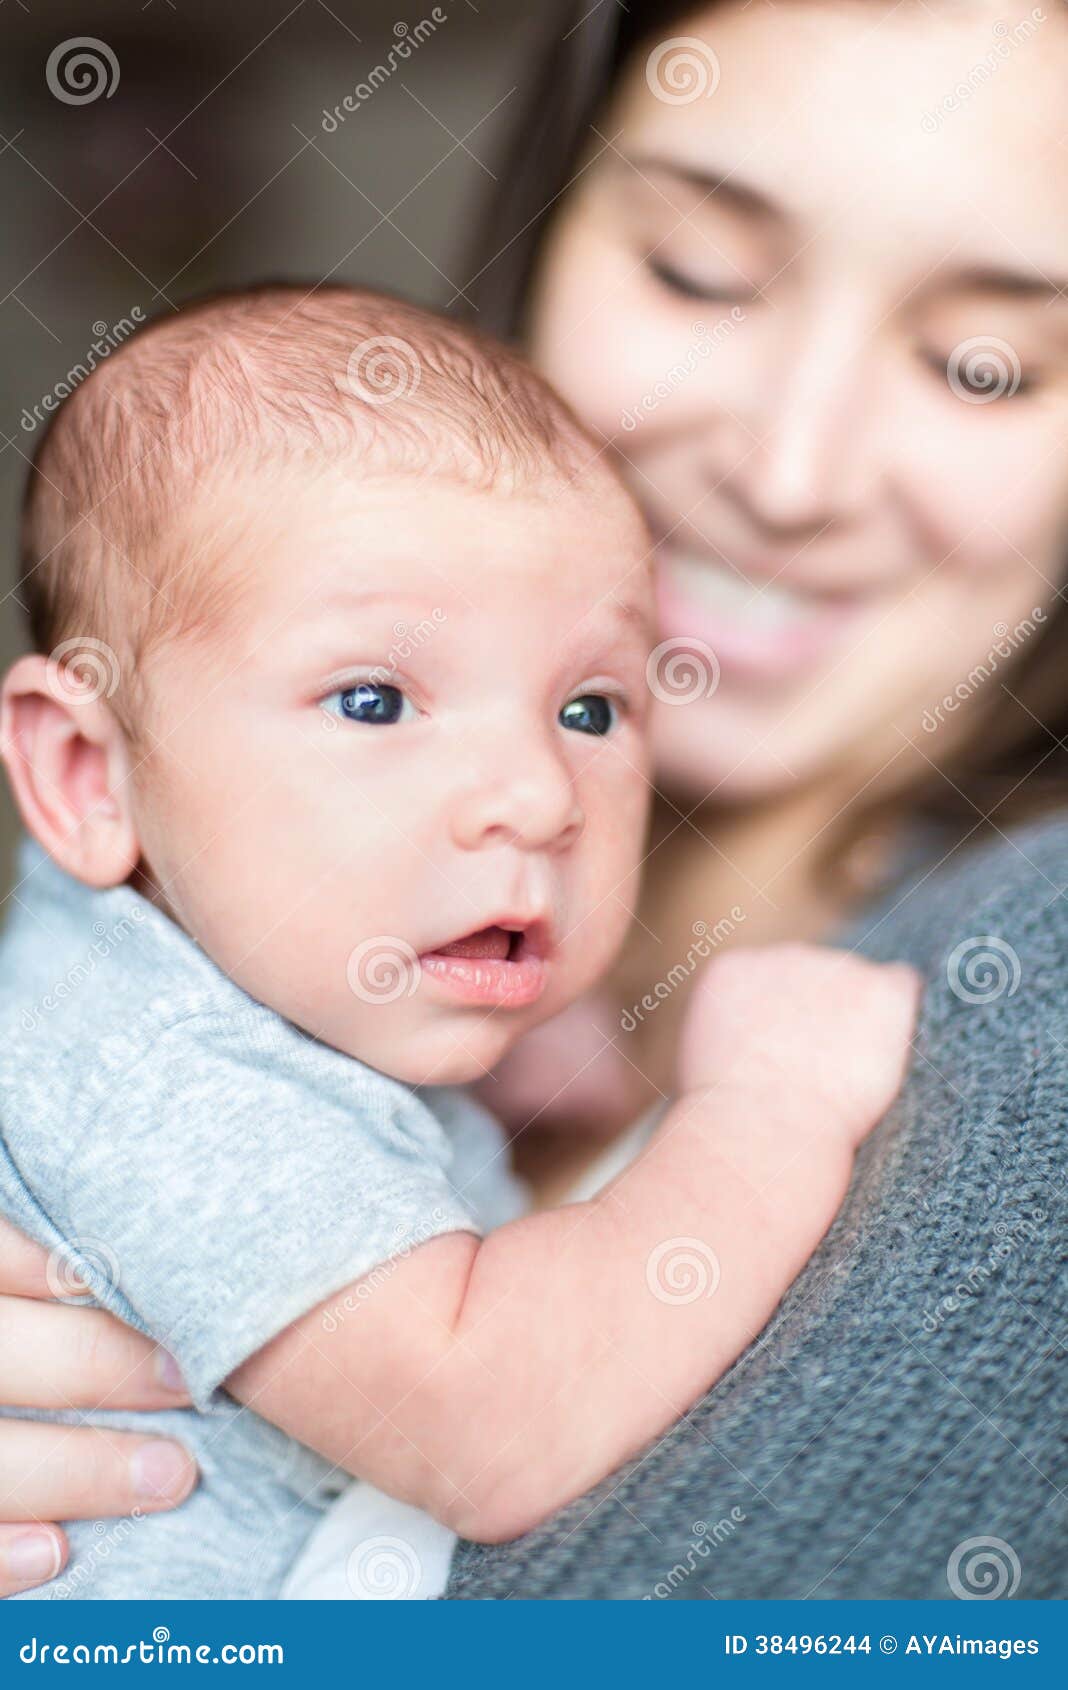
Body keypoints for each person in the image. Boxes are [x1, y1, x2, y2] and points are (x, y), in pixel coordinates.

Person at [2, 0, 1066, 1598]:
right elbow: (484, 1417)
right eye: (696, 270)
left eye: (985, 367)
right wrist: (754, 1117)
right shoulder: (163, 1058)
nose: (787, 471)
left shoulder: (1017, 970)